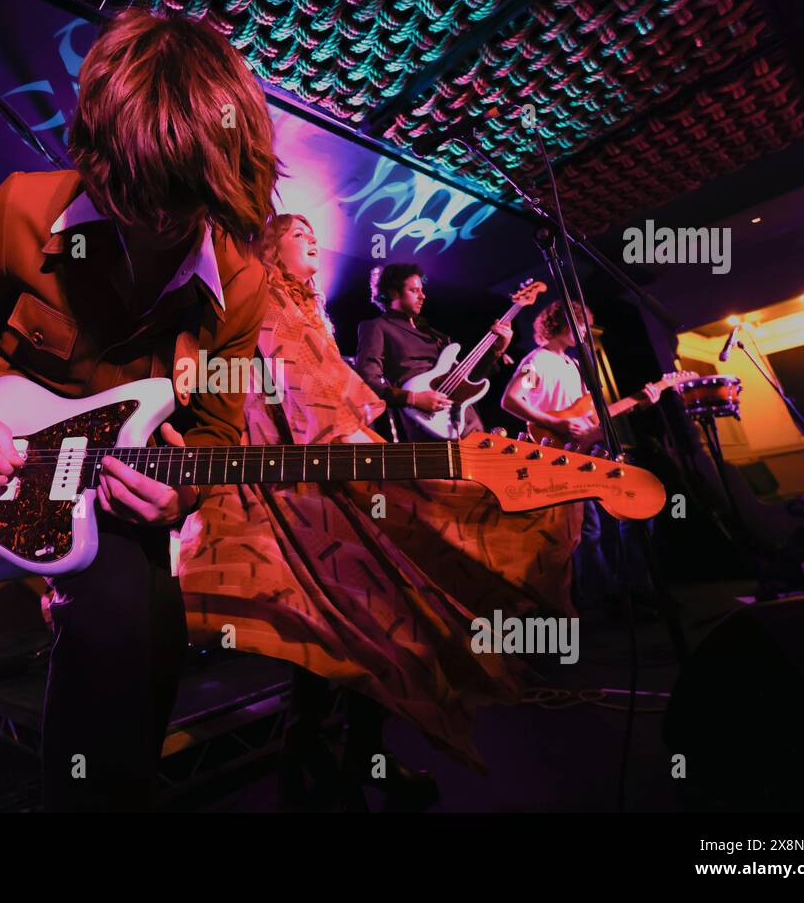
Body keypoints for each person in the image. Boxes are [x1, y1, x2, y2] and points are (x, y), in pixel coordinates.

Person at [0, 8, 280, 810]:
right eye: (139, 198)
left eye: (180, 205)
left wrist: (183, 490)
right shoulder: (22, 210)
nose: (156, 226)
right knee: (123, 627)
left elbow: (215, 430)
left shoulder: (243, 284)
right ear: (98, 160)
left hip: (114, 497)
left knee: (144, 633)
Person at [178, 214, 583, 809]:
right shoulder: (266, 302)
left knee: (364, 616)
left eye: (315, 232)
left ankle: (338, 756)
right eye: (297, 233)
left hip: (336, 467)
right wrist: (352, 438)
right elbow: (295, 393)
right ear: (270, 245)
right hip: (305, 478)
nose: (312, 238)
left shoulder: (311, 311)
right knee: (345, 612)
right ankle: (327, 759)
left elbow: (332, 386)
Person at [500, 301, 660, 618]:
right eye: (582, 324)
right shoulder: (538, 361)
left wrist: (639, 402)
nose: (586, 331)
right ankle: (603, 603)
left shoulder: (573, 365)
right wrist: (557, 423)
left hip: (586, 453)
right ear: (564, 323)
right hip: (560, 456)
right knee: (589, 531)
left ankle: (632, 592)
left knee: (630, 514)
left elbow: (587, 418)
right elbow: (512, 399)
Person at [355, 263, 513, 441]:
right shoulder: (377, 327)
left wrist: (497, 349)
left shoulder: (434, 334)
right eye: (414, 290)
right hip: (426, 422)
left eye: (421, 290)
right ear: (393, 293)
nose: (422, 296)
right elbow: (367, 379)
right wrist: (414, 399)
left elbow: (469, 379)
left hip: (464, 418)